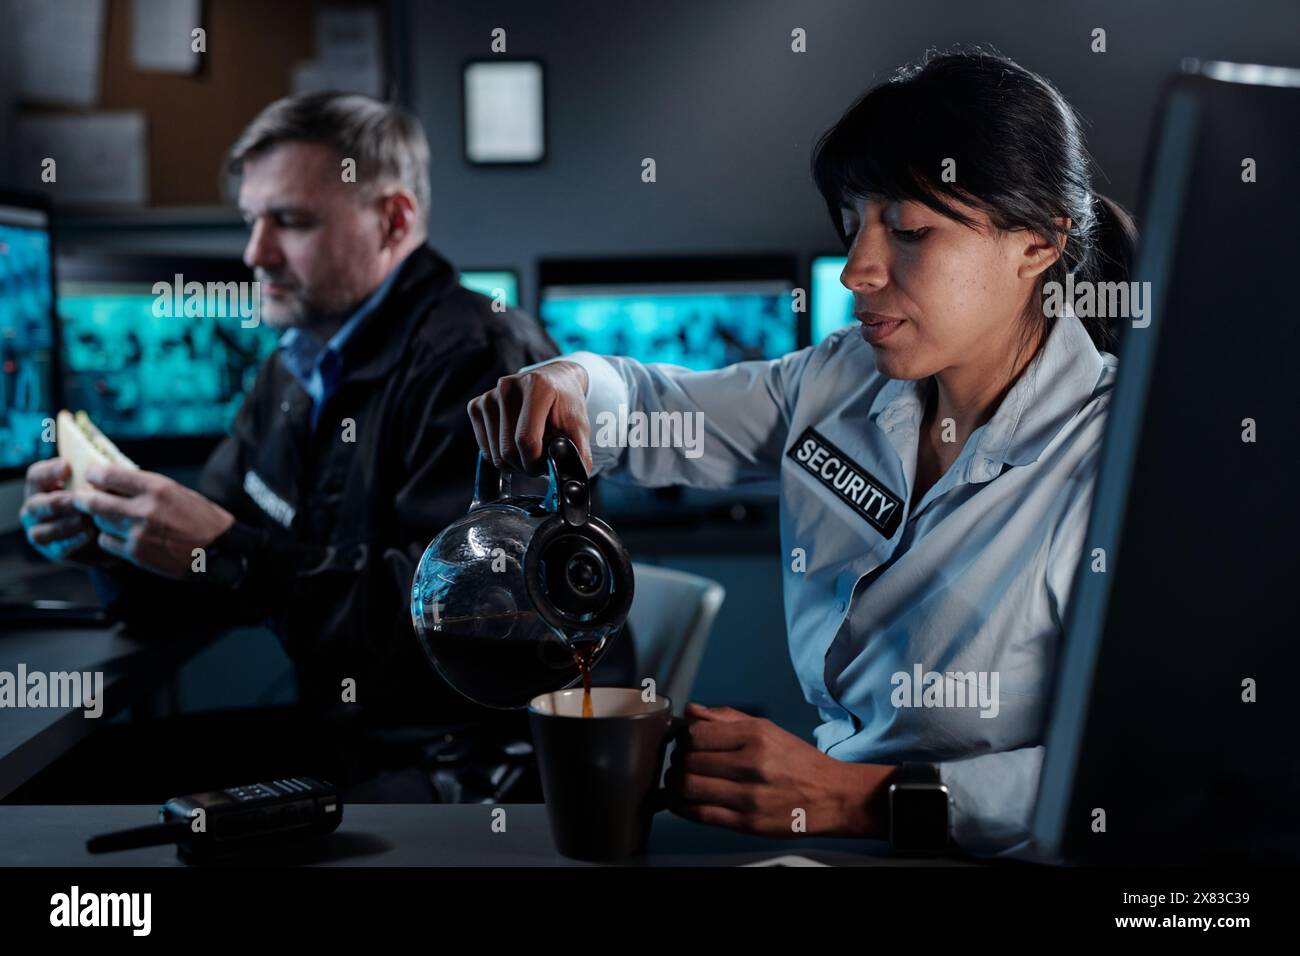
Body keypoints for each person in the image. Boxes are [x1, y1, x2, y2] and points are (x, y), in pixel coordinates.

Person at [467, 50, 1137, 857]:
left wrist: (861, 798)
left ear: (1037, 245)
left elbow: (1146, 778)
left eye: (911, 231)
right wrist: (574, 377)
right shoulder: (840, 379)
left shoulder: (1119, 467)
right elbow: (654, 408)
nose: (859, 269)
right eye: (854, 225)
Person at [18, 92, 632, 799]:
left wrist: (232, 552)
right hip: (350, 733)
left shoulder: (479, 358)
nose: (255, 253)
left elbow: (458, 630)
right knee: (71, 778)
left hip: (463, 765)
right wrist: (109, 540)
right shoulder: (294, 365)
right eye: (252, 221)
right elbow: (210, 557)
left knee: (76, 794)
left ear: (393, 220)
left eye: (292, 221)